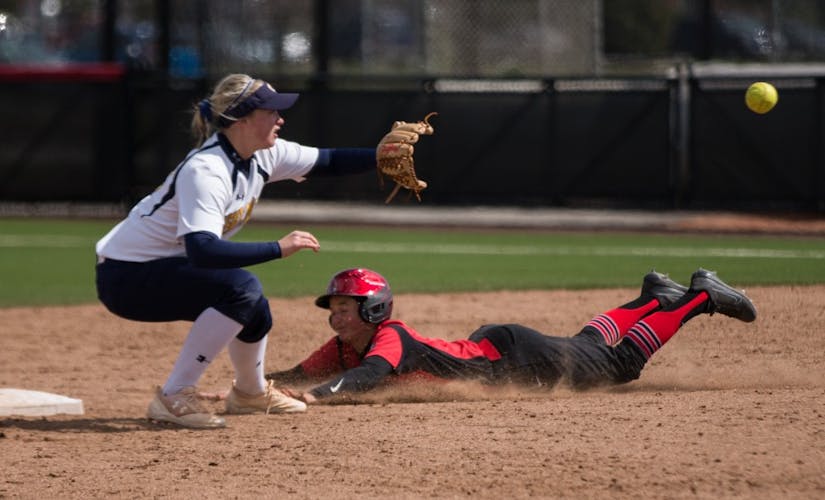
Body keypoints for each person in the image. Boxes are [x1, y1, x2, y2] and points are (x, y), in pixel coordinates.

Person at [95, 74, 383, 428]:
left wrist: (382, 156)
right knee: (241, 289)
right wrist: (278, 248)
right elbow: (202, 252)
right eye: (271, 111)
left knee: (255, 308)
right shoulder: (207, 170)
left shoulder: (263, 154)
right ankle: (174, 396)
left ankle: (250, 392)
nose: (280, 119)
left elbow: (329, 161)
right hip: (127, 277)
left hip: (164, 267)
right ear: (242, 118)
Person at [265, 268, 757, 403]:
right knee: (587, 346)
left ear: (372, 310)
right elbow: (296, 374)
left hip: (515, 360)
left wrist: (317, 397)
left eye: (345, 309)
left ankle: (700, 296)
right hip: (499, 347)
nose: (336, 318)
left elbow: (369, 376)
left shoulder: (388, 337)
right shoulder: (344, 347)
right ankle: (651, 298)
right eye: (334, 310)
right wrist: (260, 387)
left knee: (620, 365)